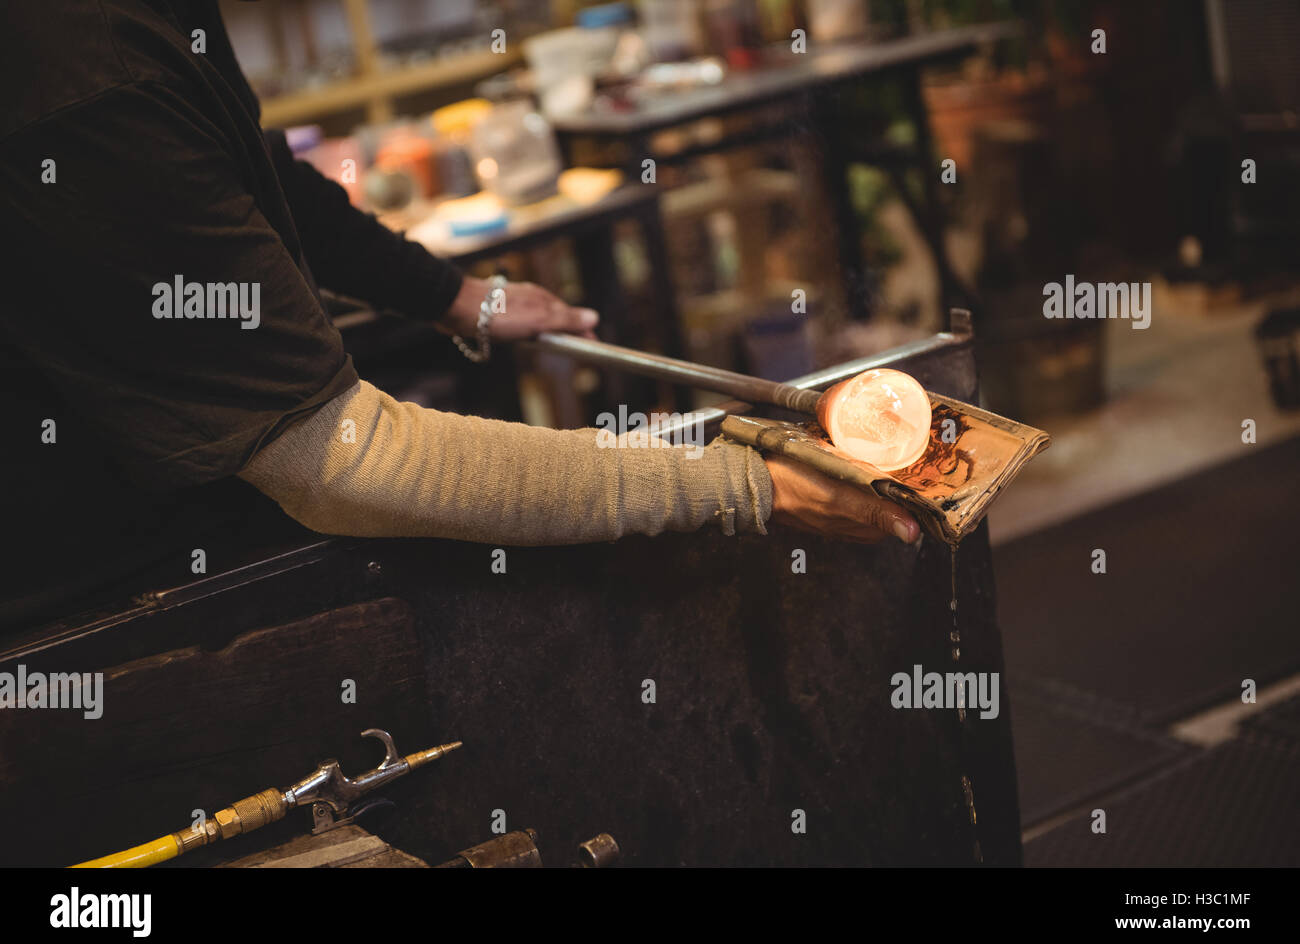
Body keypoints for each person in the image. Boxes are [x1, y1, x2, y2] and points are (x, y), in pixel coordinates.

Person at [0, 0, 918, 632]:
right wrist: (738, 487)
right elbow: (345, 462)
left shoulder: (143, 25)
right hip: (94, 610)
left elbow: (253, 166)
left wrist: (457, 295)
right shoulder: (77, 77)